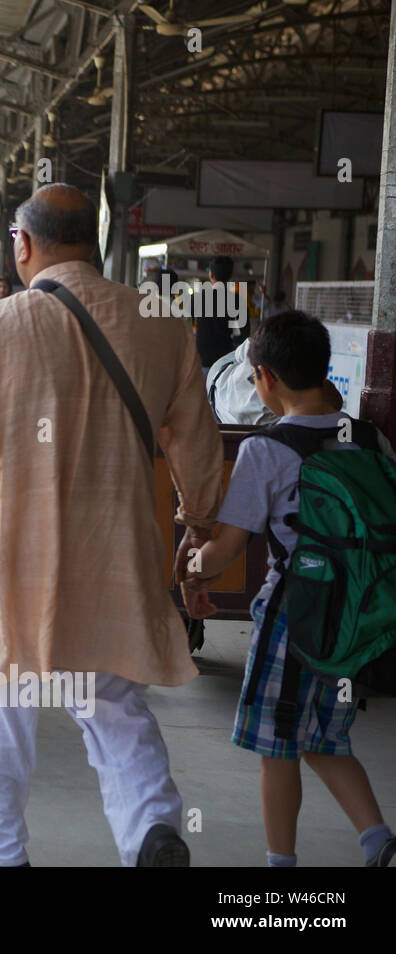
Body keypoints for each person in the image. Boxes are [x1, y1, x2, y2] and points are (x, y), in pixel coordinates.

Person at [0, 184, 225, 868]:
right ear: (95, 246)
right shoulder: (162, 323)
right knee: (114, 705)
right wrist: (200, 534)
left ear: (24, 244)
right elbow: (199, 450)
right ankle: (154, 834)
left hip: (19, 559)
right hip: (119, 556)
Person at [181, 312, 396, 868]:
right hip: (355, 616)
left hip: (290, 618)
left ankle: (281, 868)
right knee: (328, 736)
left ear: (266, 378)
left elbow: (226, 550)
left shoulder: (266, 449)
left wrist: (193, 566)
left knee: (278, 748)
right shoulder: (370, 437)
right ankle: (376, 838)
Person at [193, 254, 245, 374]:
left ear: (211, 274)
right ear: (230, 276)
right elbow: (242, 334)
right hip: (226, 365)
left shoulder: (198, 298)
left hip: (202, 362)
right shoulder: (237, 301)